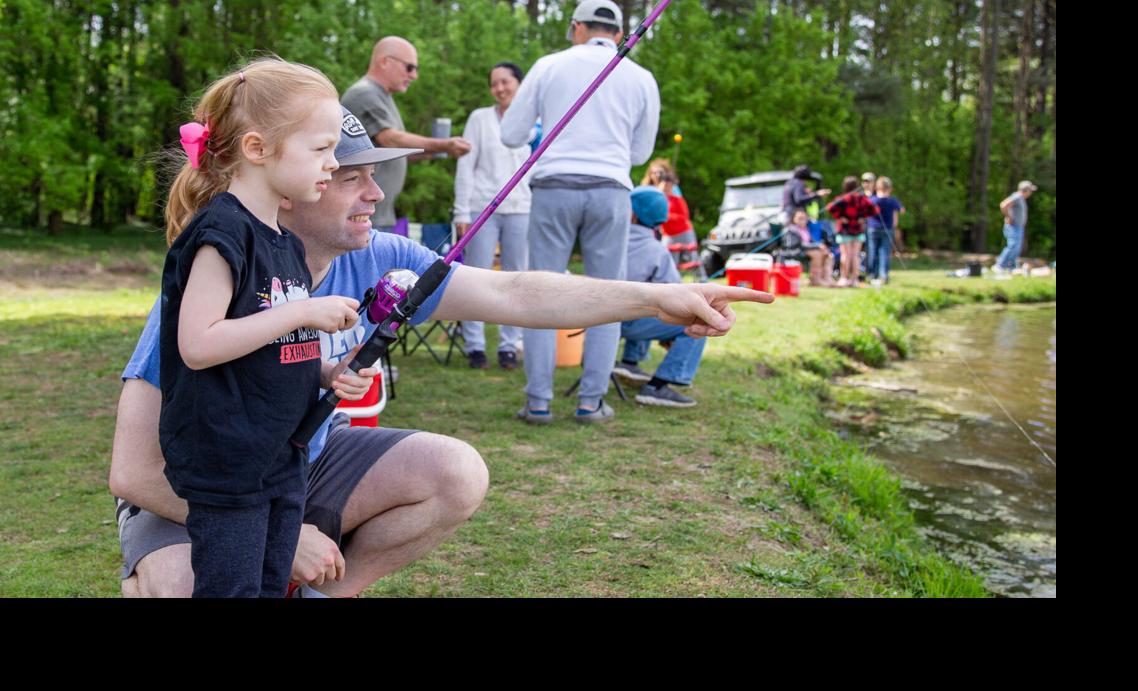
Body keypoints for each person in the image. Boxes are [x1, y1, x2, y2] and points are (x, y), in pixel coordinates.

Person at [112, 109, 773, 598]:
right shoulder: (216, 272)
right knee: (179, 588)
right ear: (289, 185)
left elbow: (516, 291)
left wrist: (657, 298)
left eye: (376, 176)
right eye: (351, 177)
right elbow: (134, 471)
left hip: (296, 465)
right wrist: (279, 539)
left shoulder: (380, 257)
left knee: (456, 471)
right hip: (195, 486)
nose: (376, 194)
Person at [156, 58, 363, 597]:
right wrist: (301, 312)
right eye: (321, 150)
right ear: (256, 149)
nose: (332, 163)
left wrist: (324, 372)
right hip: (228, 463)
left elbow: (268, 346)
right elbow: (199, 345)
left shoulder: (285, 243)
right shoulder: (222, 232)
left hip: (278, 457)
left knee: (272, 587)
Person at [501, 0, 660, 425]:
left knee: (540, 293)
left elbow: (510, 133)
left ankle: (538, 402)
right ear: (616, 31)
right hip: (610, 189)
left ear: (577, 27)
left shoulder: (549, 65)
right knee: (609, 296)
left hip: (554, 187)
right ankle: (591, 402)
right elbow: (641, 152)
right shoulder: (641, 76)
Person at [341, 37, 472, 230]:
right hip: (363, 214)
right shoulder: (364, 93)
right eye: (410, 67)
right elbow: (390, 139)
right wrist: (444, 144)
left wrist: (430, 153)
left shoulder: (383, 96)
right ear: (385, 61)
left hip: (377, 213)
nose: (414, 75)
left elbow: (388, 153)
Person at [453, 60, 532, 370]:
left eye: (505, 82)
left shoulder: (533, 119)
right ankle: (474, 345)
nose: (499, 88)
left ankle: (509, 345)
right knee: (475, 277)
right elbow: (466, 166)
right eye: (494, 83)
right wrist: (462, 210)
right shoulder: (480, 119)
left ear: (519, 84)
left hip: (522, 210)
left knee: (518, 277)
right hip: (482, 208)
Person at [612, 187, 706, 407]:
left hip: (594, 317)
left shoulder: (609, 240)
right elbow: (674, 293)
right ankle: (658, 386)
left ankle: (629, 362)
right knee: (697, 324)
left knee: (644, 297)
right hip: (626, 322)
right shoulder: (657, 250)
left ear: (632, 214)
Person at [825, 176, 878, 288]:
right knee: (855, 255)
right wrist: (863, 217)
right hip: (857, 229)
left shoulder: (843, 198)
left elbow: (830, 208)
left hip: (845, 229)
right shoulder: (861, 199)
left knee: (846, 254)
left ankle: (844, 278)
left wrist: (839, 217)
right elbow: (874, 210)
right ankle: (854, 280)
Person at [996, 179, 1037, 273]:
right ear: (1025, 190)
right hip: (1013, 226)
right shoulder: (1017, 196)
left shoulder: (1020, 198)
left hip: (1018, 227)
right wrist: (1008, 217)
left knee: (1016, 247)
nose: (1030, 193)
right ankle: (1000, 265)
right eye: (1030, 190)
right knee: (1013, 246)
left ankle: (1011, 267)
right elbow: (1003, 205)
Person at [781, 208, 830, 288]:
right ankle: (815, 279)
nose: (802, 221)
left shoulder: (806, 229)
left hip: (805, 250)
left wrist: (820, 246)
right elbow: (798, 245)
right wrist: (817, 246)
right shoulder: (791, 230)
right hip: (794, 251)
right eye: (800, 218)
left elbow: (810, 242)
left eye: (804, 218)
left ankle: (826, 278)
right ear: (794, 219)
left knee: (828, 254)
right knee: (817, 254)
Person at [869, 176, 904, 284]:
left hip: (873, 229)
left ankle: (872, 275)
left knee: (872, 251)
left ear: (876, 187)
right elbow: (902, 210)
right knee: (885, 252)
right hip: (888, 229)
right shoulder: (892, 201)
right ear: (889, 188)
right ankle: (884, 275)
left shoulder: (872, 200)